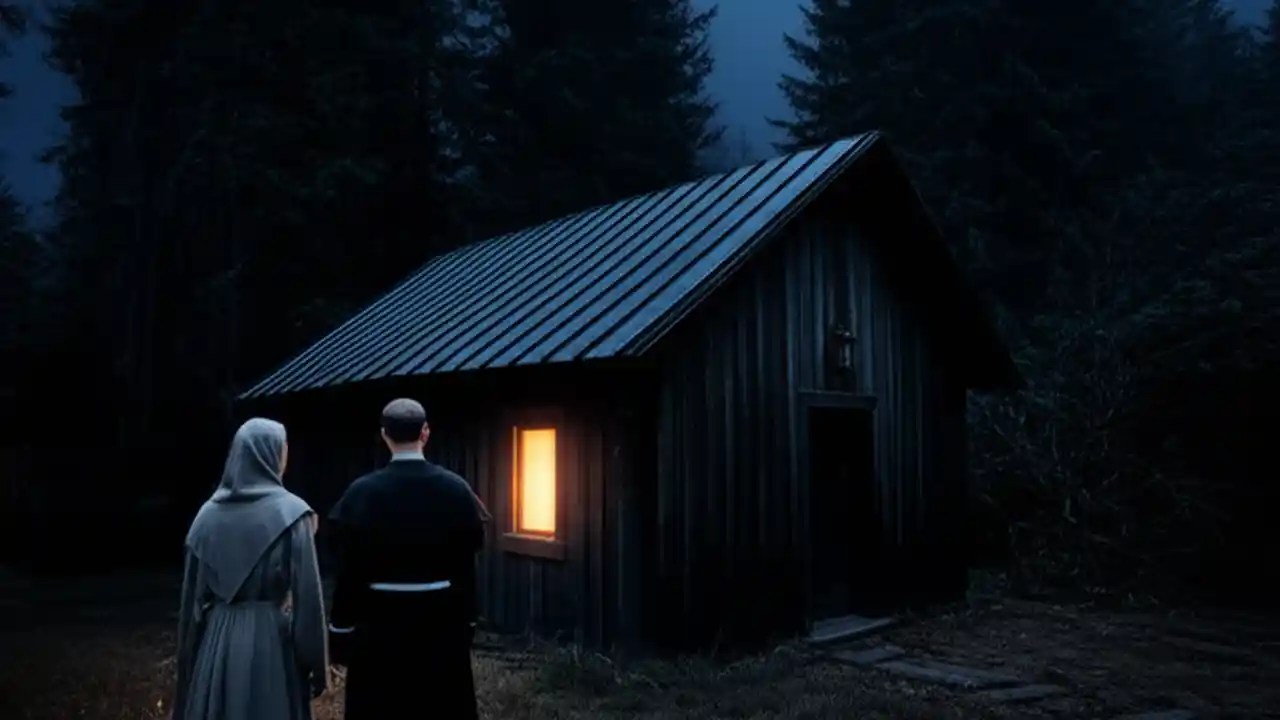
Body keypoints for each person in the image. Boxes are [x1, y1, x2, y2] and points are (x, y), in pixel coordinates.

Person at [326, 398, 487, 720]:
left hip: (379, 629)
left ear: (385, 435)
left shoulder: (361, 493)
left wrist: (340, 630)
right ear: (425, 433)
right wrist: (468, 621)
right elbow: (467, 565)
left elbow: (349, 570)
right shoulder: (457, 490)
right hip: (440, 626)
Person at [172, 417, 328, 720]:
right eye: (283, 448)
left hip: (216, 645)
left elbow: (190, 605)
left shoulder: (206, 517)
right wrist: (315, 663)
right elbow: (308, 598)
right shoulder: (293, 515)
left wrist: (189, 664)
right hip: (269, 641)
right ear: (271, 454)